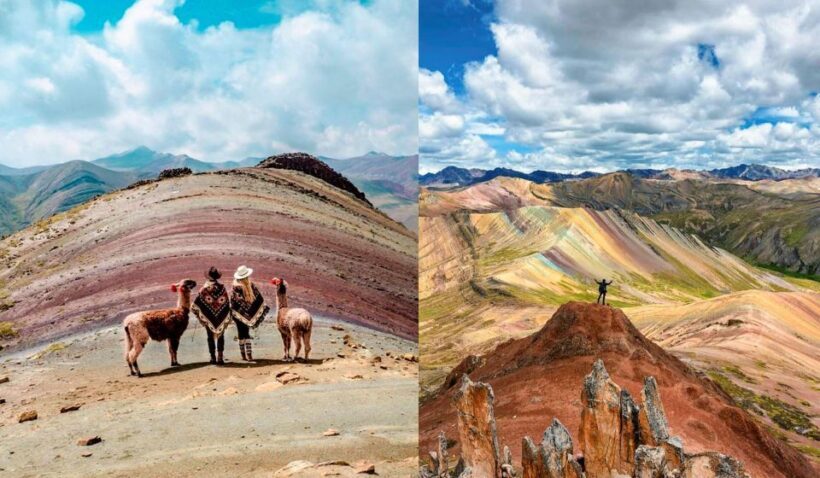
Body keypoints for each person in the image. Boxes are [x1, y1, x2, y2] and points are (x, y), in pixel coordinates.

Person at [191, 267, 232, 365]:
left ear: (209, 276)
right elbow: (226, 303)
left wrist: (200, 313)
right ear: (217, 276)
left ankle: (213, 357)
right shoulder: (222, 288)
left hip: (208, 317)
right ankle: (220, 357)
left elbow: (195, 305)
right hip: (221, 316)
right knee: (220, 336)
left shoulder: (204, 289)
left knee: (210, 336)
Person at [230, 265, 269, 361]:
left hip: (238, 315)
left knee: (241, 332)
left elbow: (233, 301)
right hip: (246, 314)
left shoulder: (236, 287)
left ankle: (243, 355)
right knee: (246, 332)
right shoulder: (250, 285)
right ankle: (249, 355)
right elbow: (258, 298)